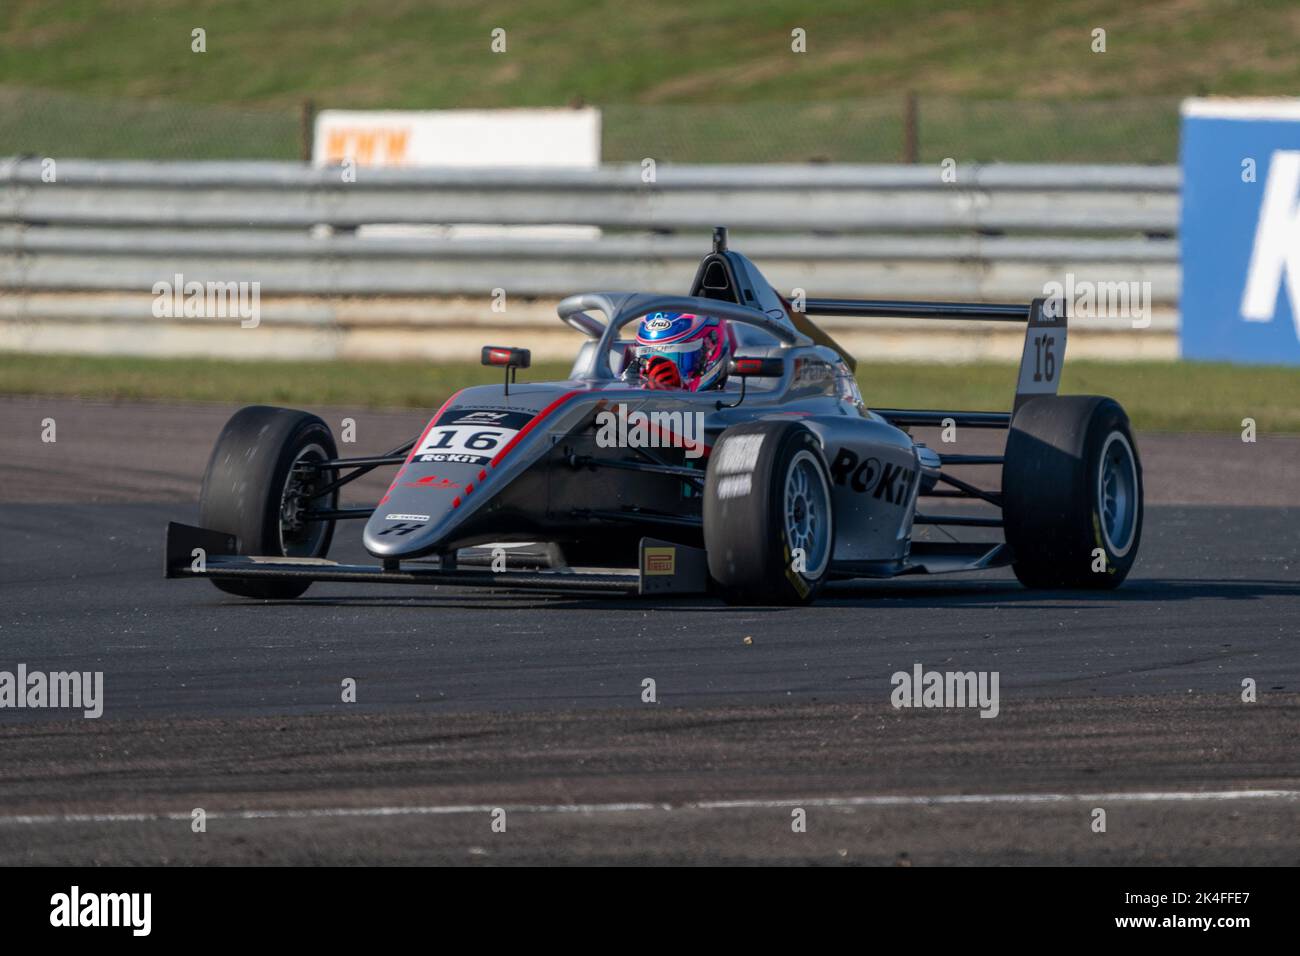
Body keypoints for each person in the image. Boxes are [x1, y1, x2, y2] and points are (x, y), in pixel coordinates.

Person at [625, 311, 733, 391]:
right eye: (646, 360)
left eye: (674, 359)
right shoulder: (625, 400)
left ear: (710, 351)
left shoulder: (739, 400)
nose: (657, 373)